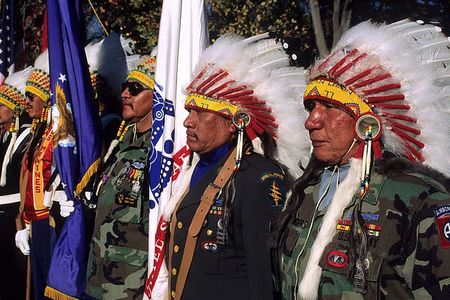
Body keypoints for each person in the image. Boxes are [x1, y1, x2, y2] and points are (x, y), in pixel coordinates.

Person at [270, 20, 450, 299]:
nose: (311, 121)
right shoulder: (306, 189)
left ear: (368, 122)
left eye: (329, 107)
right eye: (310, 107)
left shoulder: (421, 197)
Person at [158, 35, 309, 300]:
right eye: (189, 111)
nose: (188, 122)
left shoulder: (259, 178)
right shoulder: (195, 168)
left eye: (201, 113)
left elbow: (264, 274)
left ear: (234, 123)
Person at [84, 55, 154, 299]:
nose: (125, 93)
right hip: (99, 273)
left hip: (130, 281)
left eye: (135, 89)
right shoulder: (123, 141)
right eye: (125, 86)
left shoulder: (162, 151)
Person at [15, 50, 66, 300]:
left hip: (52, 222)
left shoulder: (58, 131)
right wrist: (26, 223)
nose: (26, 102)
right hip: (35, 222)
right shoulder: (40, 131)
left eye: (31, 96)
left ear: (46, 99)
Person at [0, 67, 33, 300]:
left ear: (15, 108)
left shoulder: (28, 136)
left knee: (14, 281)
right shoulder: (6, 136)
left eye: (3, 106)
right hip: (2, 218)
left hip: (14, 219)